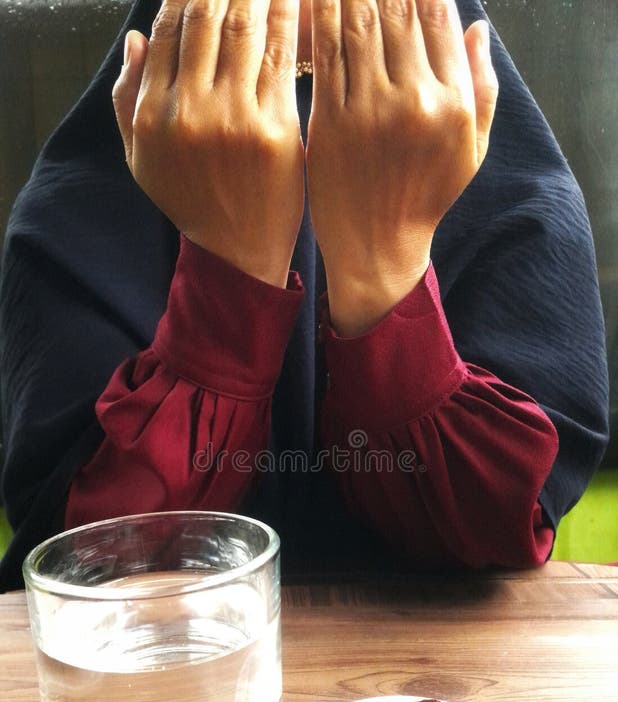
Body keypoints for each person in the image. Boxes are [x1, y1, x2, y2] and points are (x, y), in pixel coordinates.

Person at [0, 0, 609, 591]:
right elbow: (89, 558)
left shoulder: (523, 204)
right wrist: (232, 259)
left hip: (441, 682)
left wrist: (382, 257)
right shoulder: (75, 207)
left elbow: (498, 526)